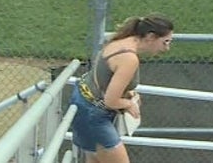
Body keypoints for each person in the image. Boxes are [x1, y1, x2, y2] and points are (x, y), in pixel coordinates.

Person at [70, 15, 174, 163]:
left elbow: (105, 78)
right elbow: (111, 101)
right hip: (94, 115)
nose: (166, 48)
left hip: (84, 104)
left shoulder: (119, 41)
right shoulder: (129, 58)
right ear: (151, 36)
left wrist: (126, 93)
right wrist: (129, 104)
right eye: (165, 42)